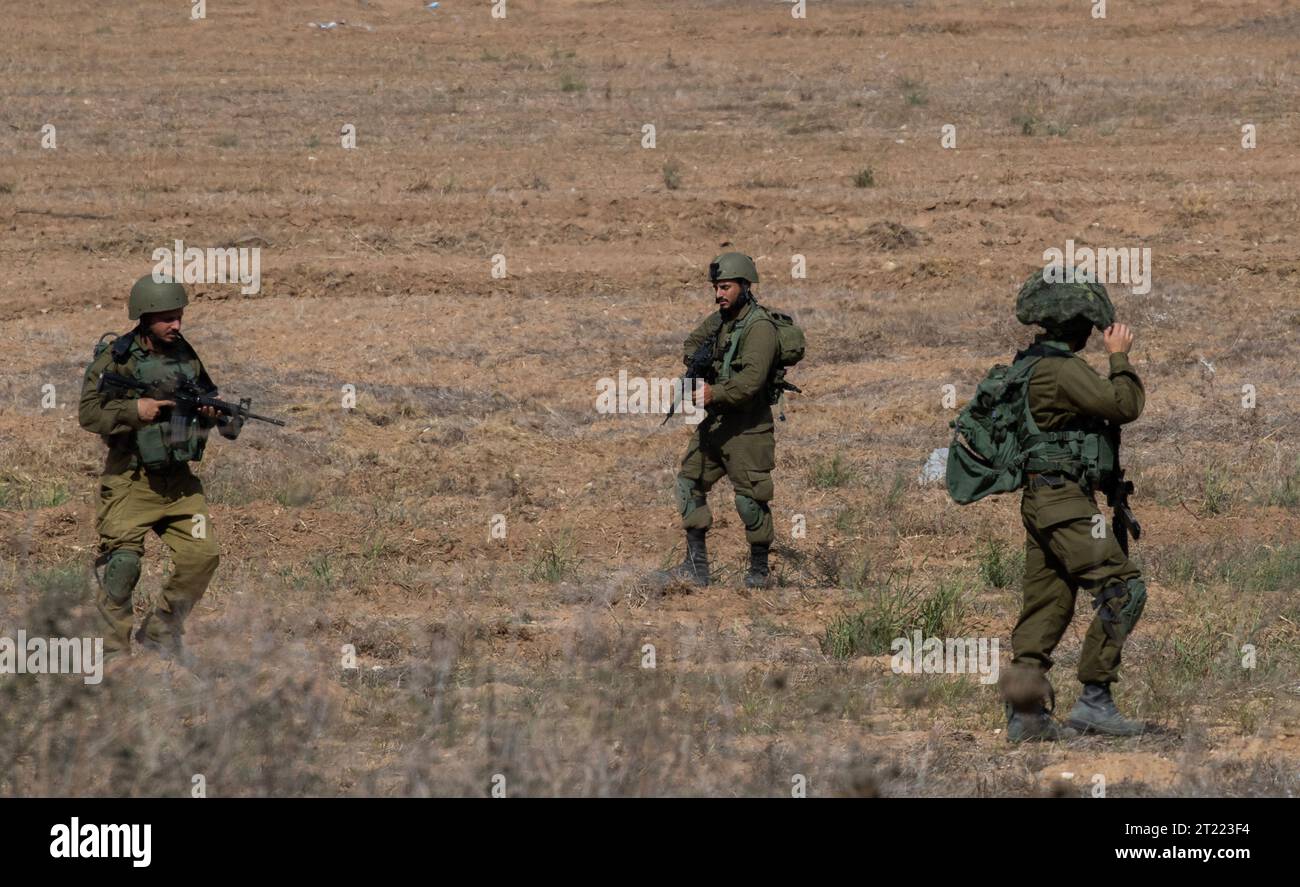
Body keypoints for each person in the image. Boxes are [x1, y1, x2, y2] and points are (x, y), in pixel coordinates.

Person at [1001, 269, 1148, 740]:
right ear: (1080, 325)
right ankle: (1095, 700)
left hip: (1044, 500)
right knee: (1123, 588)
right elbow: (1123, 404)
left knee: (1047, 608)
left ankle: (1025, 718)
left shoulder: (1029, 362)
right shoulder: (1061, 370)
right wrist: (1120, 358)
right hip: (1064, 502)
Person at [78, 274, 242, 661]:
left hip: (179, 483)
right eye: (167, 318)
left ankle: (161, 633)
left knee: (202, 556)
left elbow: (208, 395)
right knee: (123, 565)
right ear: (144, 317)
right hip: (130, 480)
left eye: (179, 316)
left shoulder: (185, 354)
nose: (176, 325)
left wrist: (210, 411)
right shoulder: (116, 358)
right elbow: (88, 414)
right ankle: (112, 655)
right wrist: (135, 410)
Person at [657, 252, 781, 589]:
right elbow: (692, 342)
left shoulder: (760, 327)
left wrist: (715, 393)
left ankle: (759, 573)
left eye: (725, 287)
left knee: (750, 500)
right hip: (714, 426)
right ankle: (696, 568)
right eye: (716, 288)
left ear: (744, 285)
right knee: (688, 484)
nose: (719, 295)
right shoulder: (722, 319)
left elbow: (752, 381)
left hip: (747, 429)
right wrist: (702, 360)